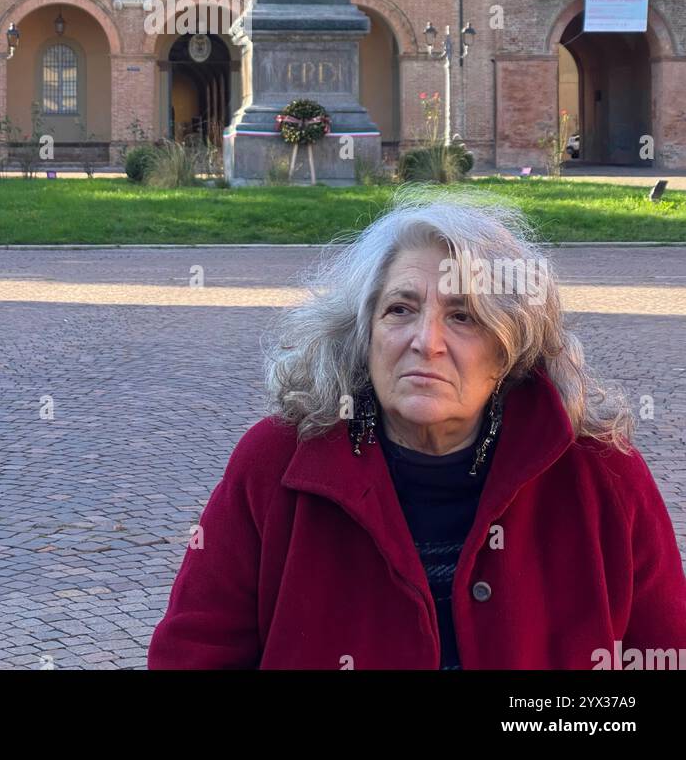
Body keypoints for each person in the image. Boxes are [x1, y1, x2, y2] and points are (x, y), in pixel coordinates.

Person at [148, 190, 686, 670]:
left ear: (510, 348)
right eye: (400, 309)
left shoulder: (600, 473)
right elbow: (192, 655)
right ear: (364, 334)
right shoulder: (277, 462)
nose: (424, 341)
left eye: (463, 317)